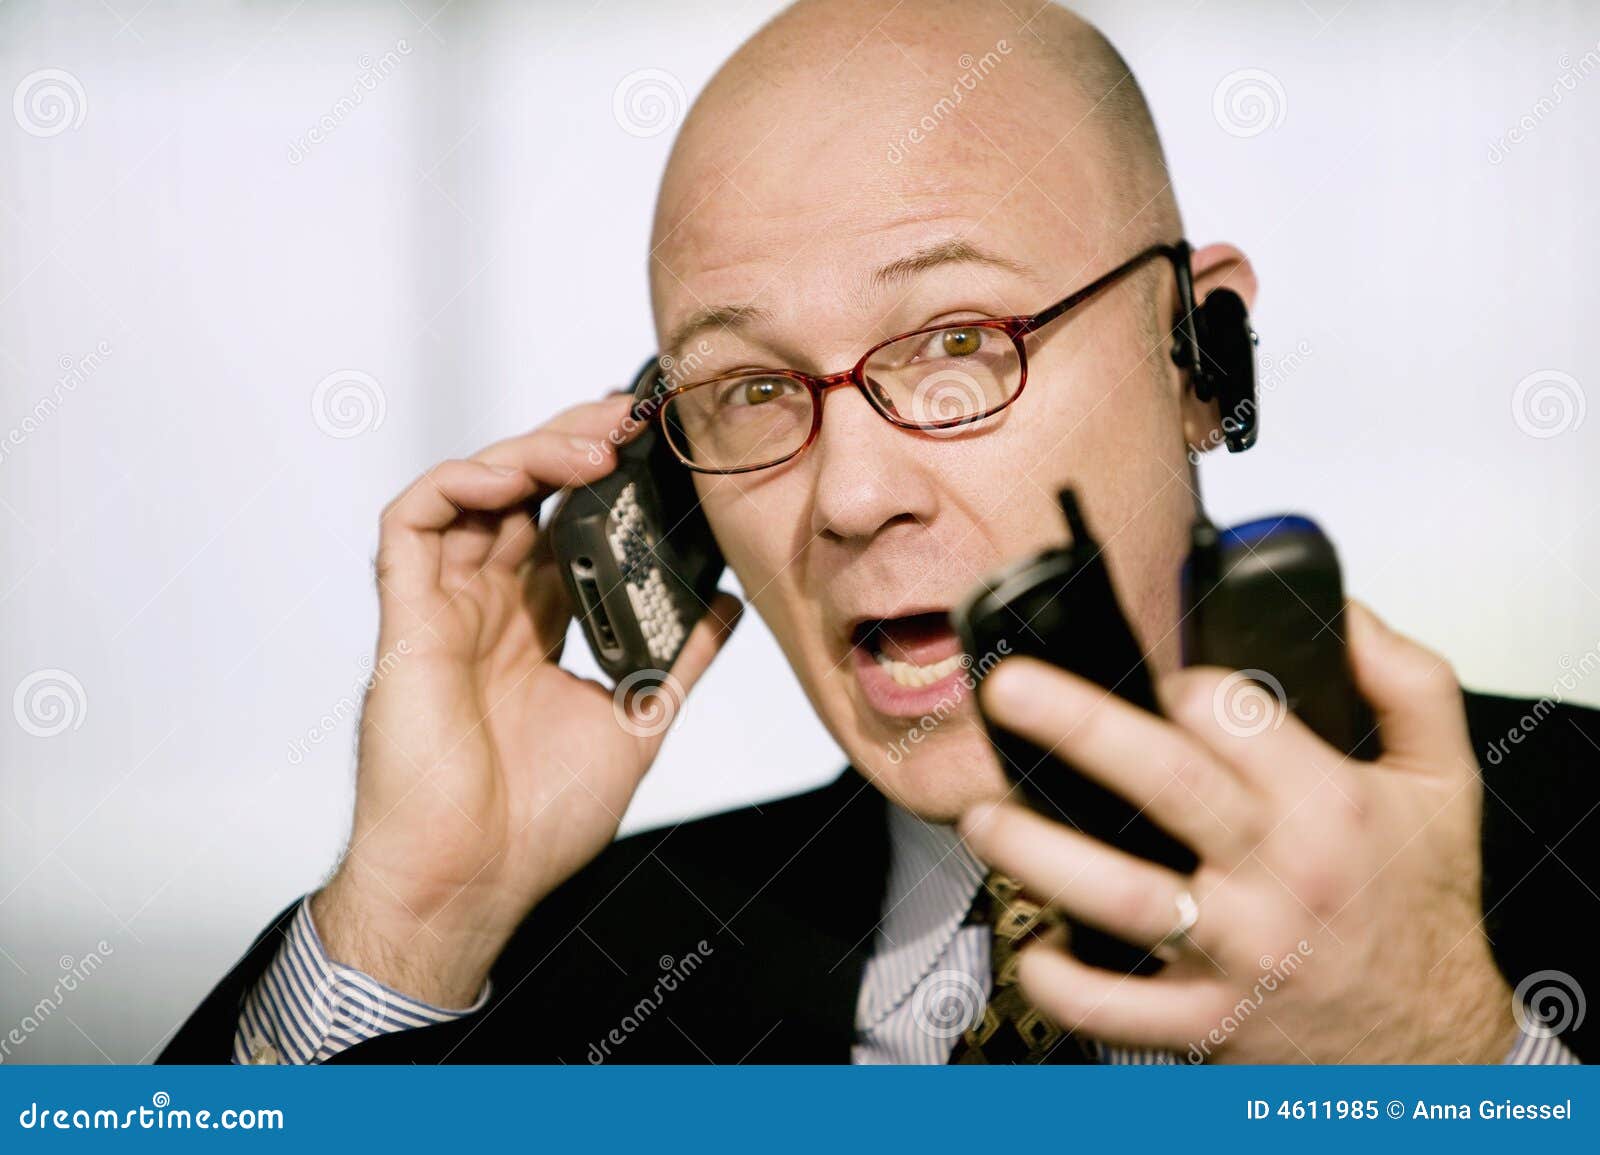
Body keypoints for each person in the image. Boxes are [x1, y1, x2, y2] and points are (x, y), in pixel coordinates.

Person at [162, 0, 1596, 1065]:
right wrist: (411, 922)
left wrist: (1453, 1072)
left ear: (1193, 352)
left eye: (957, 346)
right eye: (749, 389)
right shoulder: (597, 972)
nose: (851, 496)